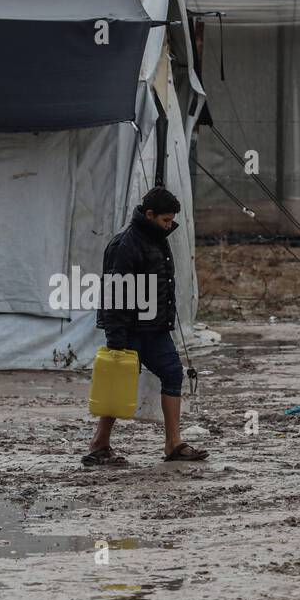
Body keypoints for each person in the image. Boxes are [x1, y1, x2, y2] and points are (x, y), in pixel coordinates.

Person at [84, 187, 209, 466]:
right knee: (119, 383)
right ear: (149, 215)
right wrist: (116, 340)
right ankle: (99, 443)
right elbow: (114, 294)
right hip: (130, 330)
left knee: (173, 373)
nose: (169, 226)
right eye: (165, 220)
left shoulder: (156, 239)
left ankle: (173, 443)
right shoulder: (125, 245)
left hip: (155, 329)